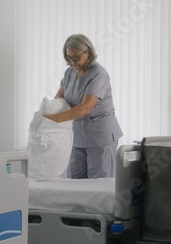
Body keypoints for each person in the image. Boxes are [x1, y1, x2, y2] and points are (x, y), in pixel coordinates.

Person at [43, 34, 123, 178]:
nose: (72, 62)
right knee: (75, 180)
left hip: (100, 136)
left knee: (99, 183)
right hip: (77, 135)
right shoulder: (70, 72)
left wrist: (55, 119)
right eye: (69, 58)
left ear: (88, 53)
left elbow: (86, 107)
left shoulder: (98, 74)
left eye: (76, 57)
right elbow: (60, 96)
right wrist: (49, 111)